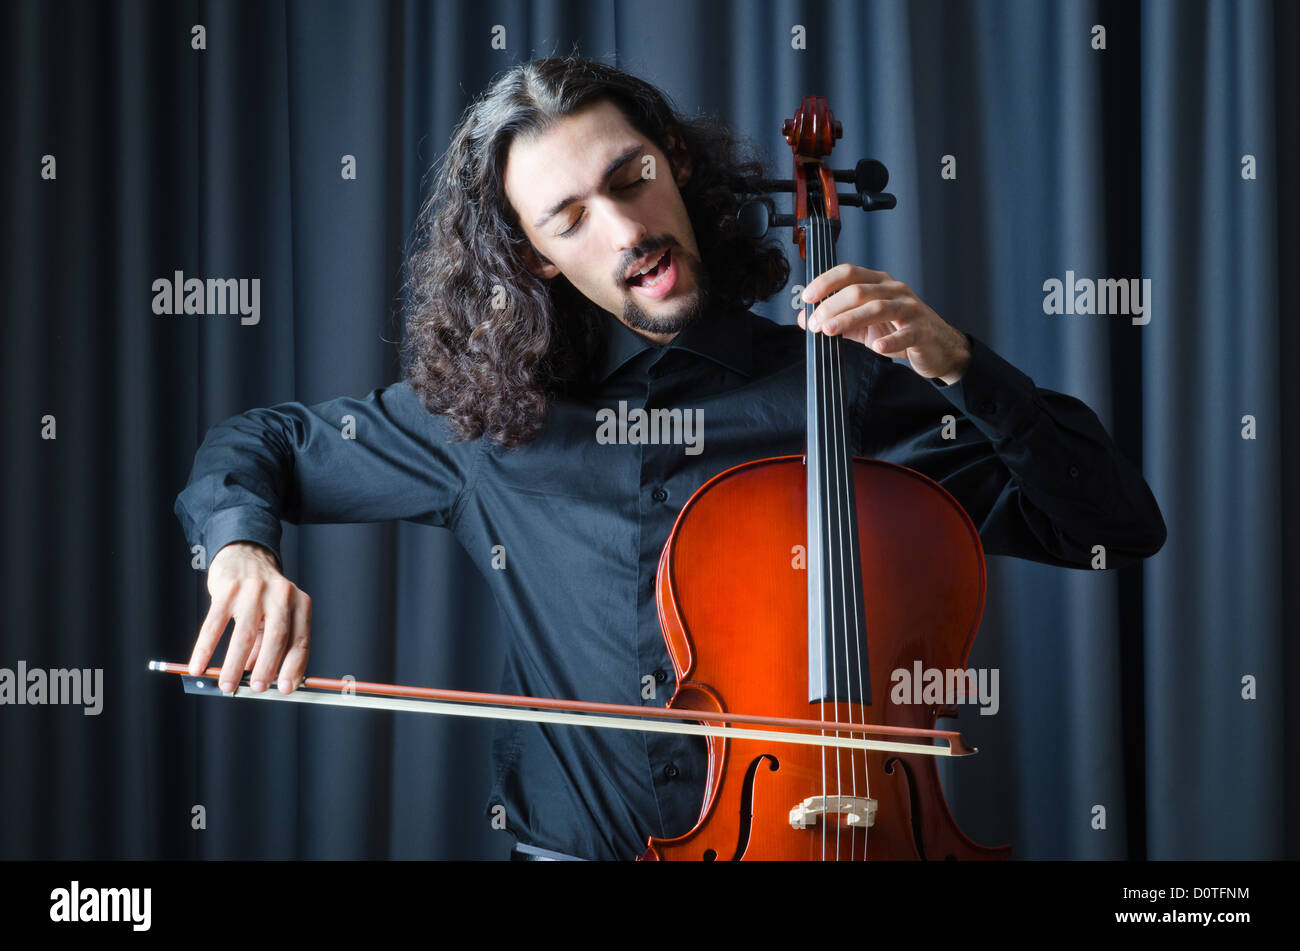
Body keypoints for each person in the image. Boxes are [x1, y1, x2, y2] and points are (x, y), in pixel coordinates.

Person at [175, 56, 1166, 861]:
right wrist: (239, 554)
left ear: (676, 165)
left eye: (630, 178)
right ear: (532, 257)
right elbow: (254, 446)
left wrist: (963, 369)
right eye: (568, 218)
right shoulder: (488, 422)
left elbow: (1114, 527)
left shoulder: (843, 389)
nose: (624, 230)